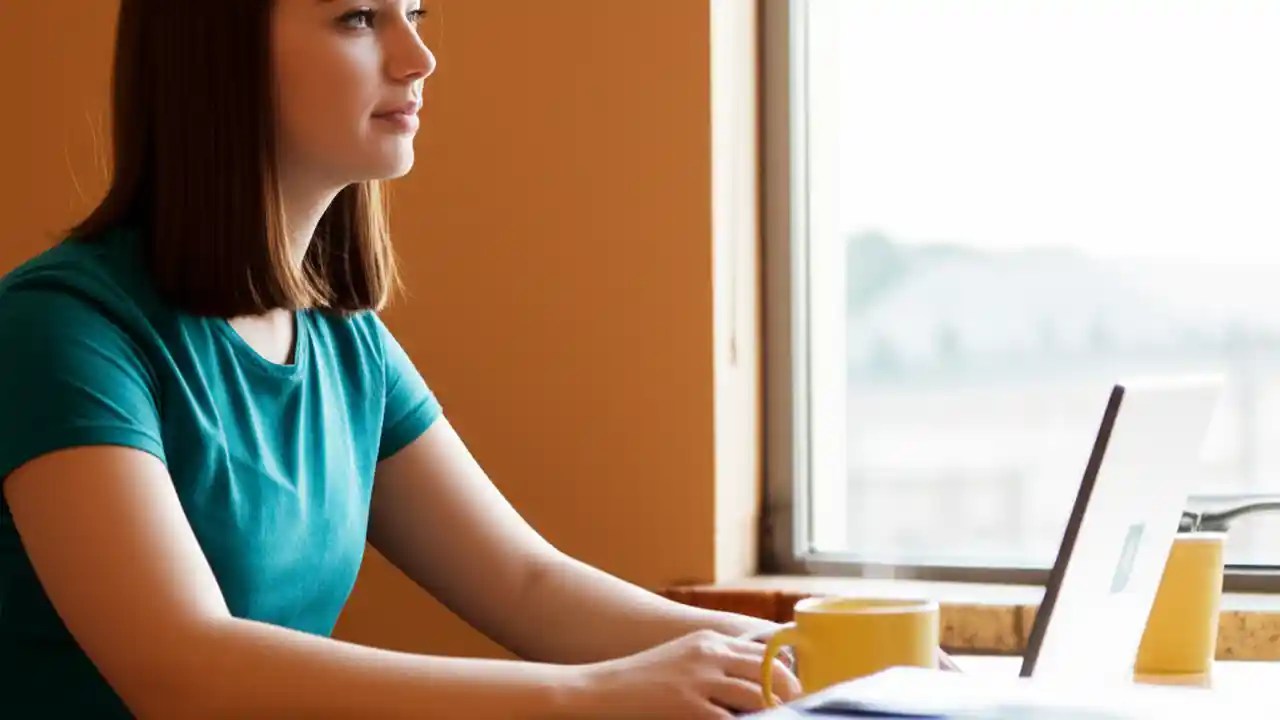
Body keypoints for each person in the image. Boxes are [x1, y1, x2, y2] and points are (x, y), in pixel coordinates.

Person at [0, 1, 804, 717]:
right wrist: (599, 695)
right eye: (358, 18)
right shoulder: (64, 330)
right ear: (221, 50)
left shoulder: (344, 340)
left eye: (413, 12)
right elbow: (183, 673)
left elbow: (529, 586)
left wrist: (817, 653)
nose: (418, 57)